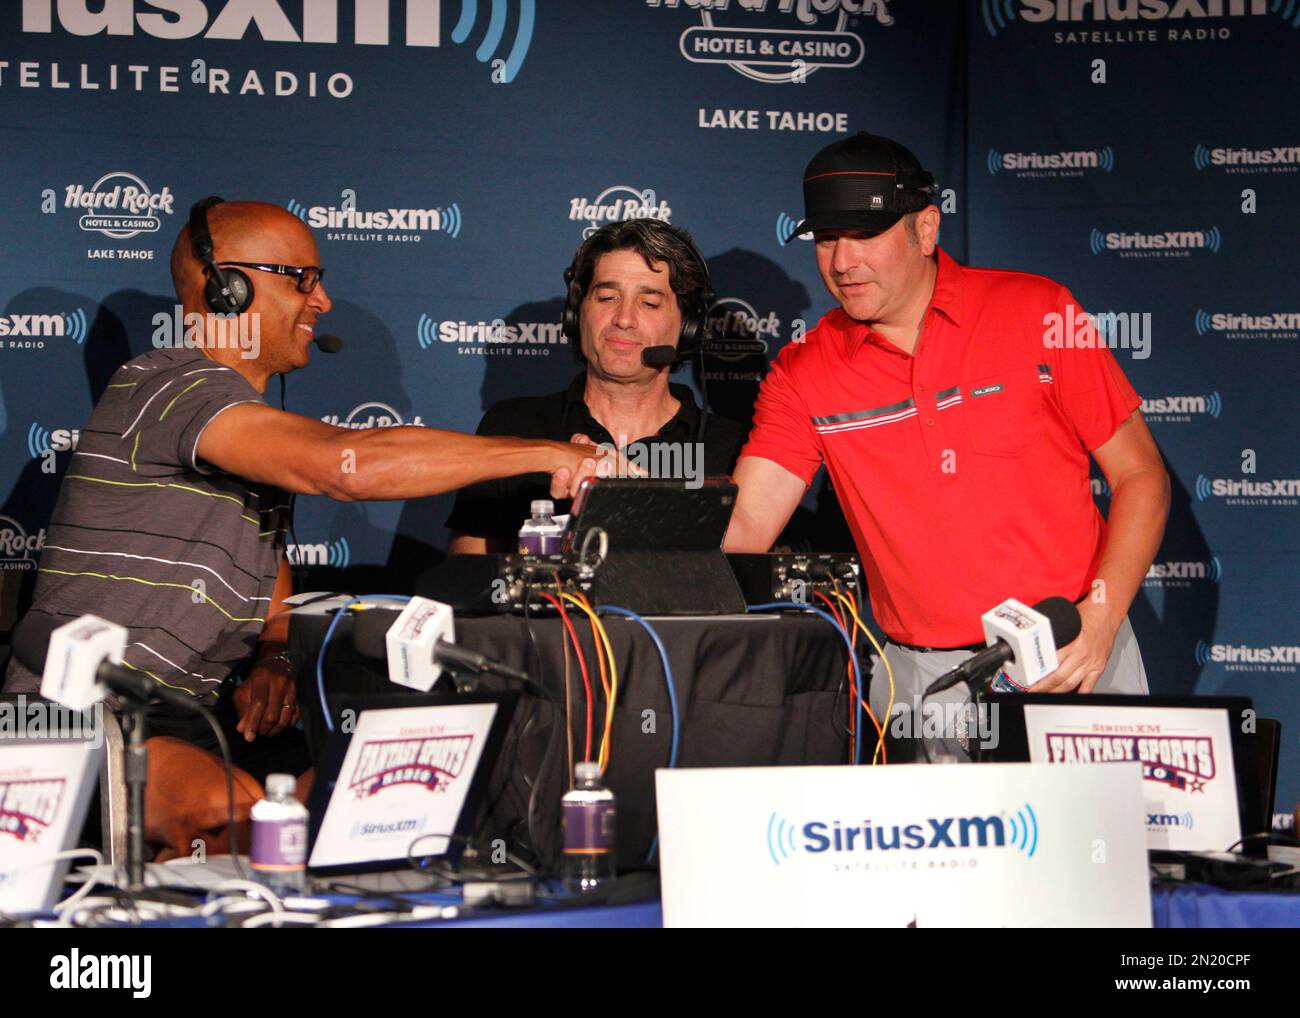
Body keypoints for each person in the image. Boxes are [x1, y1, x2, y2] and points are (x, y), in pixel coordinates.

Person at [2, 198, 615, 856]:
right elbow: (344, 468)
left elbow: (265, 576)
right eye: (304, 279)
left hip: (183, 719)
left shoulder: (234, 423)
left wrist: (275, 656)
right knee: (237, 822)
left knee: (397, 786)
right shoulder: (168, 386)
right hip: (71, 717)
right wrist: (551, 453)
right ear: (227, 288)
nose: (321, 302)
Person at [723, 132, 1171, 758]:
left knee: (1104, 856)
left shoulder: (1040, 311)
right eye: (827, 238)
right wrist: (635, 500)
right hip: (922, 689)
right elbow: (744, 526)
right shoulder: (803, 372)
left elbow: (1141, 477)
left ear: (926, 228)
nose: (842, 261)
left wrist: (1099, 621)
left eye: (864, 235)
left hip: (1077, 656)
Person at [447, 219, 743, 553]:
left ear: (687, 326)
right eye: (606, 297)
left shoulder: (730, 445)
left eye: (649, 303)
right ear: (577, 313)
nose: (624, 319)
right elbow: (470, 573)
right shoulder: (514, 426)